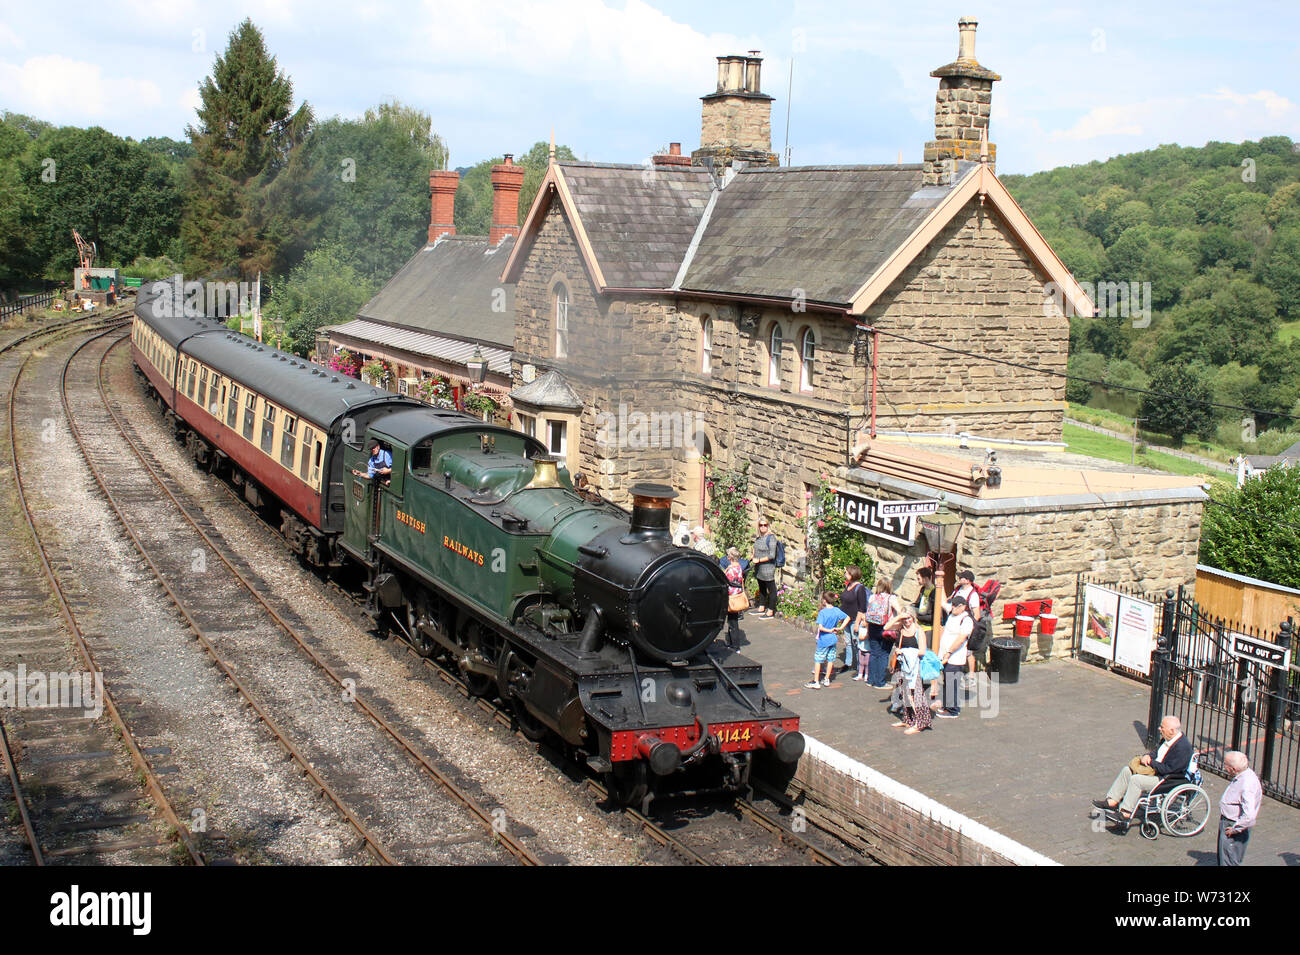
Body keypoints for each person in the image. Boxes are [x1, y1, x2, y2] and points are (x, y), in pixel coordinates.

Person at [1092, 715, 1192, 831]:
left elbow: (1168, 769)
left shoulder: (1183, 747)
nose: (1159, 729)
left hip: (1166, 779)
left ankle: (1125, 814)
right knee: (1127, 770)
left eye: (1162, 727)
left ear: (1172, 730)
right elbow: (1155, 753)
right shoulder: (1167, 738)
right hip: (1156, 771)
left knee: (1136, 780)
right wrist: (1147, 756)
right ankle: (1112, 801)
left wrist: (1151, 762)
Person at [886, 609, 930, 735]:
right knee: (904, 693)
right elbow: (886, 627)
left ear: (913, 617)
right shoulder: (900, 628)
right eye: (905, 619)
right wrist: (899, 616)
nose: (907, 621)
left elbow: (922, 651)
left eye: (909, 618)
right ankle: (908, 719)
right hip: (902, 665)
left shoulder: (918, 631)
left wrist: (904, 651)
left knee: (913, 695)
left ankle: (919, 722)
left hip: (914, 668)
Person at [1217, 750, 1262, 865]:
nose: (1224, 767)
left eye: (1226, 765)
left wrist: (1235, 829)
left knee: (1228, 860)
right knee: (1226, 857)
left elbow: (1249, 816)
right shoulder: (1245, 775)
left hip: (1233, 825)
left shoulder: (1246, 784)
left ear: (1233, 769)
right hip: (1230, 823)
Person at [936, 596, 973, 718]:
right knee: (948, 681)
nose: (952, 608)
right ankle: (947, 705)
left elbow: (961, 639)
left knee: (952, 682)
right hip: (947, 656)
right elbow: (942, 601)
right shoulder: (952, 612)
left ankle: (953, 710)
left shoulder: (966, 620)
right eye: (952, 605)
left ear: (963, 606)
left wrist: (949, 652)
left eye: (955, 606)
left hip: (955, 658)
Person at [864, 578, 902, 689]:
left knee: (874, 653)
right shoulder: (891, 598)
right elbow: (899, 611)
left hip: (872, 627)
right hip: (886, 628)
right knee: (884, 654)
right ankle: (880, 682)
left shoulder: (872, 597)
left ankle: (871, 680)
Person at [806, 591, 849, 689]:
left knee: (818, 660)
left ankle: (816, 681)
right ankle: (827, 679)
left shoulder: (822, 612)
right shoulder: (836, 610)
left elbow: (820, 627)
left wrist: (829, 630)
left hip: (823, 639)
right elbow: (847, 618)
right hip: (833, 639)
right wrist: (840, 628)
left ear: (825, 600)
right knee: (830, 659)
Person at [951, 570, 982, 687]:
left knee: (968, 652)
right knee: (958, 650)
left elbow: (977, 614)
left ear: (968, 580)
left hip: (966, 627)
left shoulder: (973, 595)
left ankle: (972, 676)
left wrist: (971, 629)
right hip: (955, 626)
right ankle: (958, 675)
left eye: (962, 577)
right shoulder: (958, 590)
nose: (959, 578)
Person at [840, 565, 867, 675]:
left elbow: (862, 607)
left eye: (847, 572)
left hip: (854, 619)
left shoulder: (859, 588)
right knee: (848, 642)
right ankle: (848, 663)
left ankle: (859, 666)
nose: (845, 574)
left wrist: (857, 623)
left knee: (856, 642)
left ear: (852, 574)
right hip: (846, 618)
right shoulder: (848, 585)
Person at [720, 547, 749, 650]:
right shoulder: (739, 567)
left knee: (733, 622)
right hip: (737, 596)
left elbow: (725, 581)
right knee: (733, 620)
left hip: (731, 597)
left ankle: (735, 646)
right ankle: (732, 643)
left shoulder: (731, 569)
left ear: (730, 557)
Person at [751, 520, 779, 618]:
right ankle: (762, 607)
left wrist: (758, 560)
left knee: (771, 589)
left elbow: (772, 555)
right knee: (762, 587)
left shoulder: (771, 538)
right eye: (761, 525)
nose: (763, 527)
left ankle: (771, 610)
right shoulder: (759, 538)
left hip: (768, 568)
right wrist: (753, 556)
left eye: (765, 525)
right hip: (759, 568)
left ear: (768, 526)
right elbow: (755, 548)